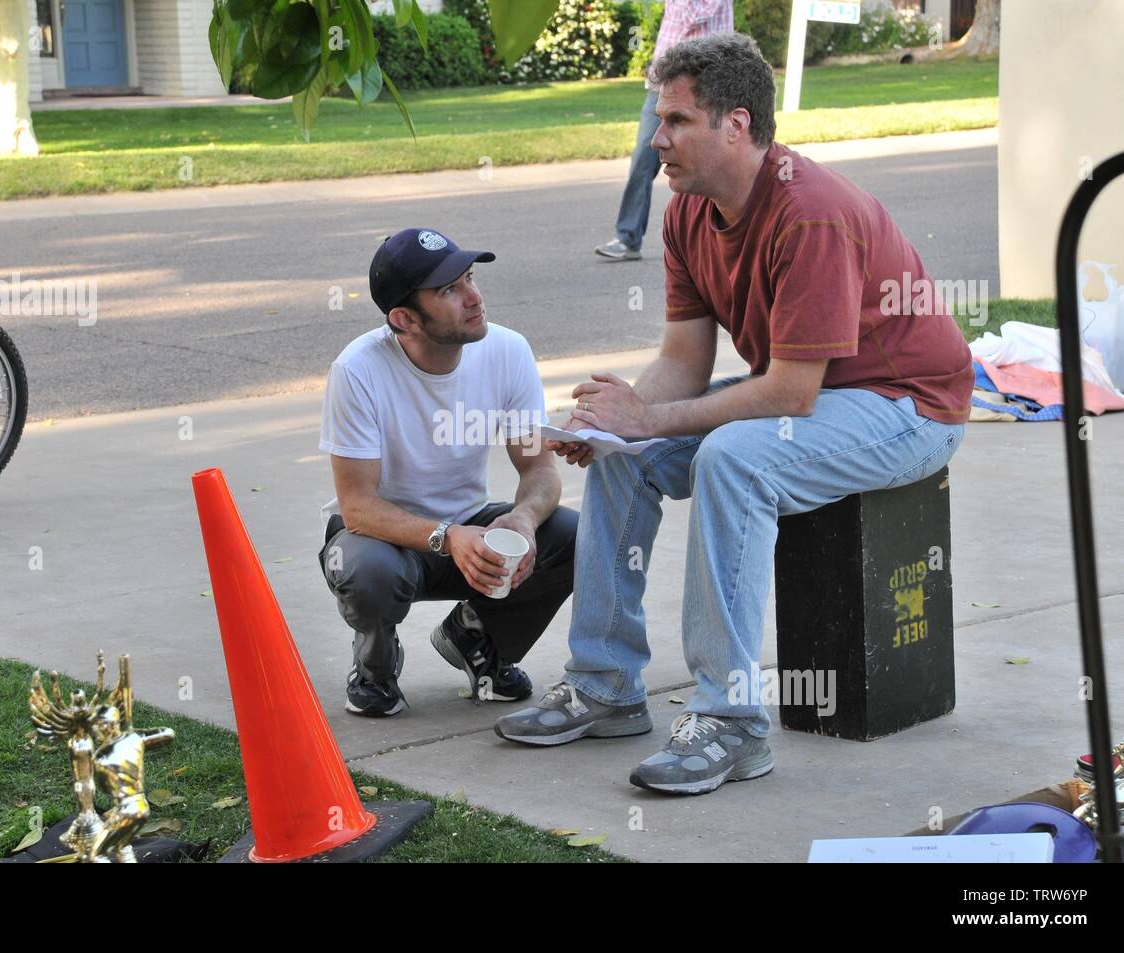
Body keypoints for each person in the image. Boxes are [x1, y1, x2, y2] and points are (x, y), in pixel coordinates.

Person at [497, 35, 975, 795]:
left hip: (908, 405)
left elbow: (788, 394)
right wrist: (618, 419)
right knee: (626, 452)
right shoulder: (688, 213)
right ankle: (605, 683)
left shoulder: (811, 213)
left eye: (676, 121)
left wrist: (651, 417)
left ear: (738, 125)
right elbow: (684, 360)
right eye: (659, 120)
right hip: (811, 392)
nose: (657, 140)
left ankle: (731, 722)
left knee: (735, 458)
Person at [318, 227, 578, 717]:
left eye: (470, 278)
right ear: (403, 318)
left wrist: (523, 518)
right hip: (380, 538)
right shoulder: (357, 371)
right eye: (449, 291)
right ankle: (374, 663)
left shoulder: (507, 350)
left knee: (571, 534)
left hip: (467, 527)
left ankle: (478, 639)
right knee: (368, 570)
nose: (474, 298)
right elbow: (357, 507)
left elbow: (538, 467)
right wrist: (448, 536)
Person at [594, 0, 732, 262]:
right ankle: (628, 239)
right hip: (663, 85)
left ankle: (711, 242)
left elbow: (695, 14)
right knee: (644, 156)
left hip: (704, 88)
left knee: (703, 163)